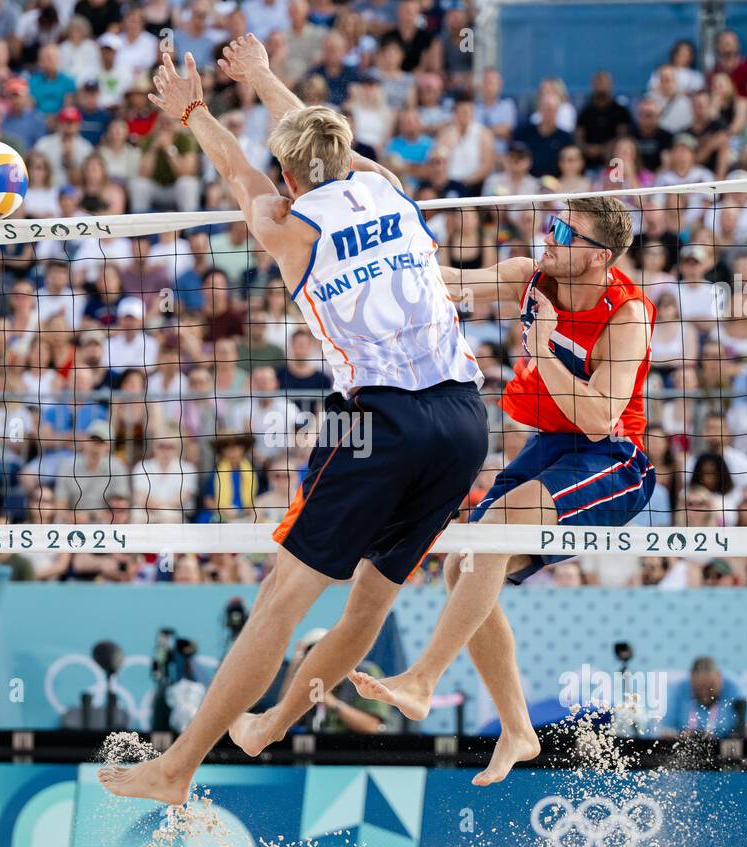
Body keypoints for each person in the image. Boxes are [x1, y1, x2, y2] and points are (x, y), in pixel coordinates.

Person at [98, 35, 487, 806]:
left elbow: (242, 173)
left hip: (382, 424)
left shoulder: (286, 225)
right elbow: (317, 139)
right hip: (466, 421)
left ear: (289, 175)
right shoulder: (387, 187)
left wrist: (195, 112)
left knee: (282, 598)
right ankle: (274, 721)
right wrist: (265, 79)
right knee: (371, 601)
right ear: (346, 156)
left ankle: (177, 769)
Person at [349, 193, 655, 786]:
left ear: (600, 257)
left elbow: (599, 417)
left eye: (567, 232)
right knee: (462, 566)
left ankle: (422, 680)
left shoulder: (628, 314)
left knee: (491, 534)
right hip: (551, 444)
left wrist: (542, 351)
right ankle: (518, 728)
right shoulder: (531, 277)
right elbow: (452, 283)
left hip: (616, 459)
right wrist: (379, 250)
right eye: (554, 224)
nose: (552, 236)